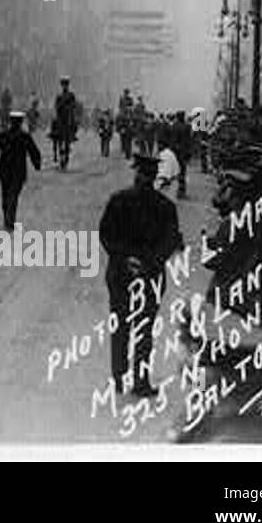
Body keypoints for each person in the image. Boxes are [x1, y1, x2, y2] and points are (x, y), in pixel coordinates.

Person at [98, 145, 183, 397]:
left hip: (120, 274)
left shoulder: (118, 200)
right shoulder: (166, 207)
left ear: (136, 175)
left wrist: (126, 259)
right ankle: (141, 382)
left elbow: (106, 236)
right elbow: (171, 242)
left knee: (120, 327)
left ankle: (119, 378)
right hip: (151, 276)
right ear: (155, 176)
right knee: (144, 330)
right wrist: (148, 262)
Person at [0, 111, 42, 230]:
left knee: (7, 195)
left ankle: (8, 219)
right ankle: (9, 219)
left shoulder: (3, 135)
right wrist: (37, 164)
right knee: (12, 196)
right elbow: (34, 151)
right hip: (18, 171)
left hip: (5, 171)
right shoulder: (25, 136)